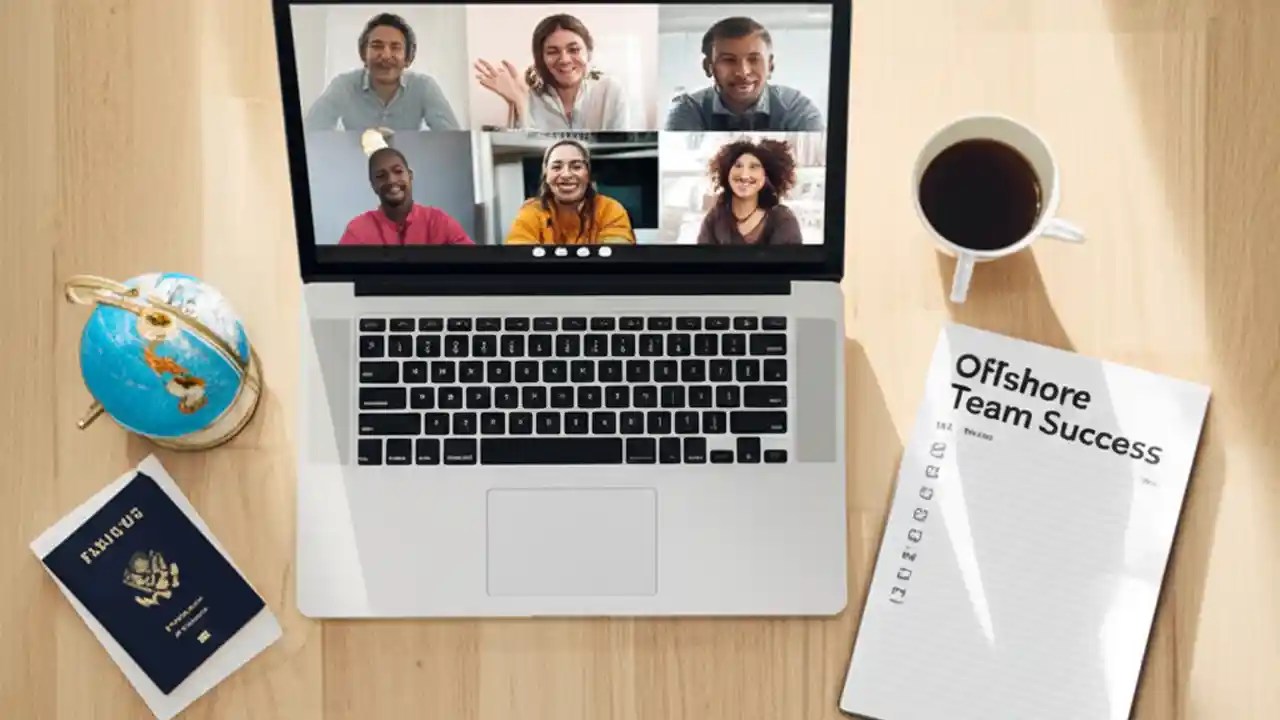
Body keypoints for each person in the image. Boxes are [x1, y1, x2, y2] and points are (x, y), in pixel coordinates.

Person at [305, 13, 461, 131]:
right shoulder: (343, 85)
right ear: (363, 54)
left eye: (395, 47)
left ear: (408, 57)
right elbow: (311, 130)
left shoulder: (424, 86)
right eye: (377, 46)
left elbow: (451, 138)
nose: (386, 55)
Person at [664, 17, 825, 131]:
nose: (743, 72)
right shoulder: (688, 110)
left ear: (770, 65)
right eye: (728, 60)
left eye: (754, 59)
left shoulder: (796, 108)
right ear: (708, 67)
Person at [473, 14, 630, 131]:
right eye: (553, 52)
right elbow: (525, 150)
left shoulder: (610, 91)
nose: (564, 60)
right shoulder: (529, 95)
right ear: (540, 58)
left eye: (574, 50)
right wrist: (518, 101)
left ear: (588, 53)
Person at [505, 139, 636, 245]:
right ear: (546, 175)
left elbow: (617, 258)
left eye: (576, 166)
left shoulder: (611, 210)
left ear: (588, 174)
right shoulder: (531, 212)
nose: (566, 174)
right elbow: (518, 257)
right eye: (556, 167)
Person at [339, 147, 474, 246]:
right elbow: (340, 274)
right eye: (381, 176)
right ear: (373, 185)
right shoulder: (358, 230)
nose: (391, 180)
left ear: (410, 175)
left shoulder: (438, 221)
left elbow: (473, 266)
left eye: (398, 171)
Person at [696, 137, 804, 245]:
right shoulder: (714, 220)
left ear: (766, 176)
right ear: (727, 173)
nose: (744, 175)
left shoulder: (783, 220)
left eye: (753, 167)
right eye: (738, 166)